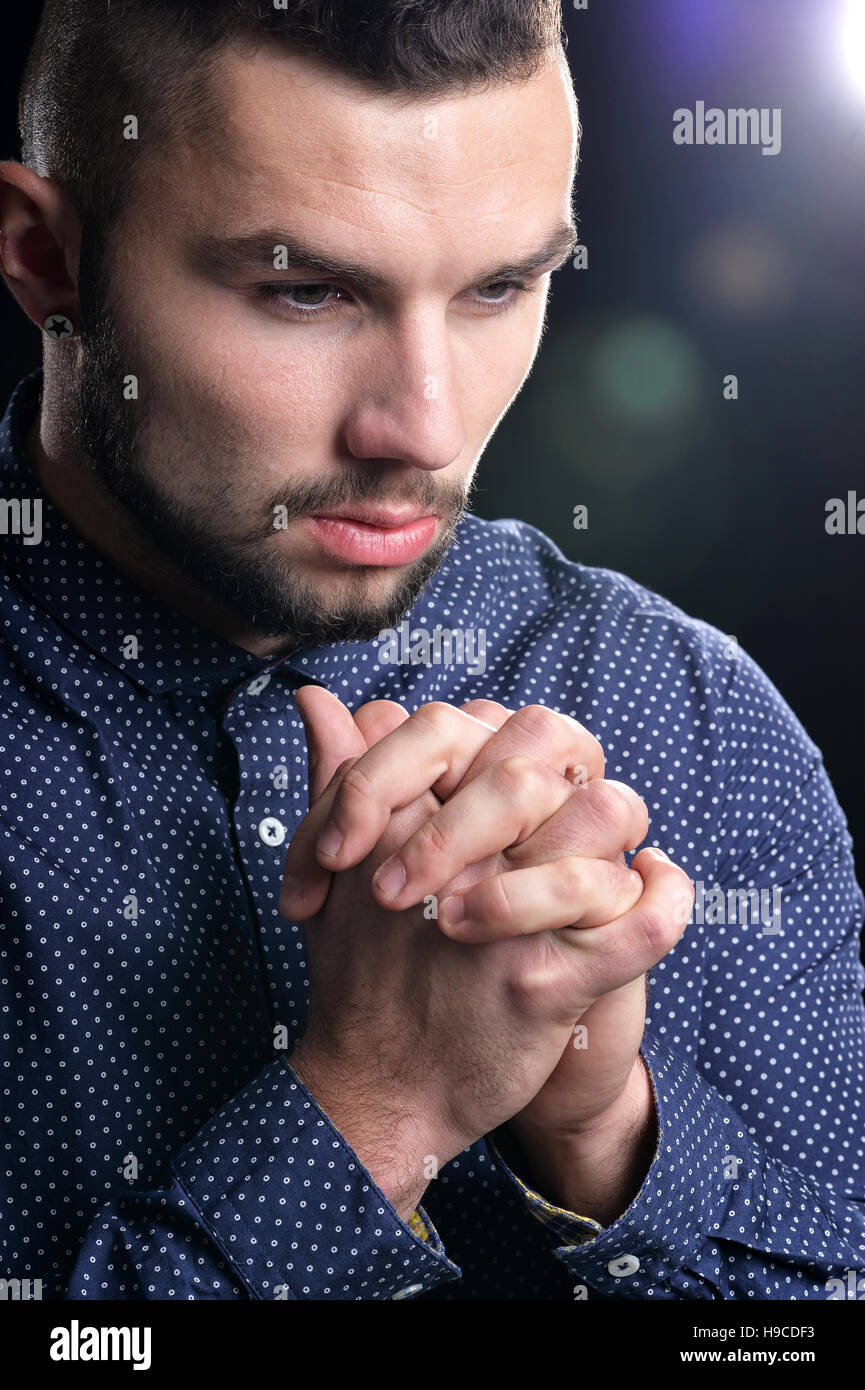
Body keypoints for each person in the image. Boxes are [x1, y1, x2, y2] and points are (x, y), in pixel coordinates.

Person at [0, 0, 862, 1302]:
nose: (424, 424)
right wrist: (376, 1106)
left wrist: (604, 1134)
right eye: (306, 291)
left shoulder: (698, 716)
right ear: (49, 259)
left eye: (499, 287)